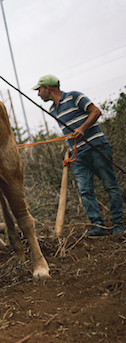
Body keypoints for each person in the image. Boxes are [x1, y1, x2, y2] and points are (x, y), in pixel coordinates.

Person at [33, 74, 124, 237]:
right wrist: (68, 151)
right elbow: (68, 132)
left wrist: (82, 128)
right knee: (85, 190)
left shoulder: (75, 97)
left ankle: (118, 224)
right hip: (77, 155)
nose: (38, 94)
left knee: (110, 185)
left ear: (48, 88)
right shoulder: (53, 110)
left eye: (39, 90)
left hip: (96, 147)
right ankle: (98, 225)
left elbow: (96, 112)